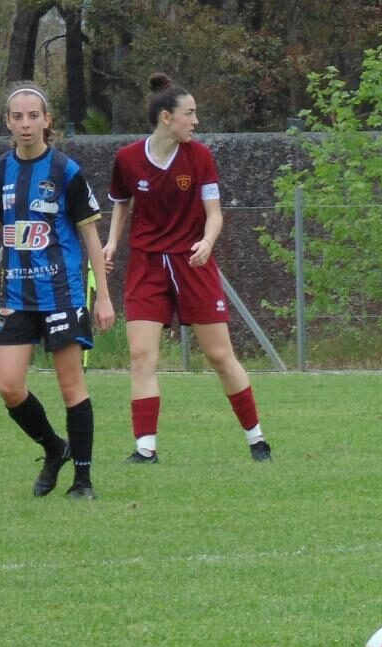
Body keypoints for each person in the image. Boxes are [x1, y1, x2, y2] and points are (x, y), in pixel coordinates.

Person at [105, 73, 270, 464]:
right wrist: (112, 241)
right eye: (189, 113)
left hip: (193, 264)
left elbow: (214, 214)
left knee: (220, 355)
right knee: (142, 356)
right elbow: (121, 201)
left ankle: (257, 440)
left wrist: (206, 243)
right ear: (167, 117)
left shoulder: (200, 157)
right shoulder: (127, 159)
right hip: (146, 265)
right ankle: (145, 449)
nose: (196, 121)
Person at [0, 83, 115, 500]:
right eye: (17, 116)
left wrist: (103, 296)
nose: (26, 124)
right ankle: (55, 448)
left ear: (46, 120)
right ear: (8, 122)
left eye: (33, 116)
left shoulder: (65, 171)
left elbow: (90, 237)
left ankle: (83, 481)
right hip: (17, 296)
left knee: (71, 387)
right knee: (9, 387)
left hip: (62, 294)